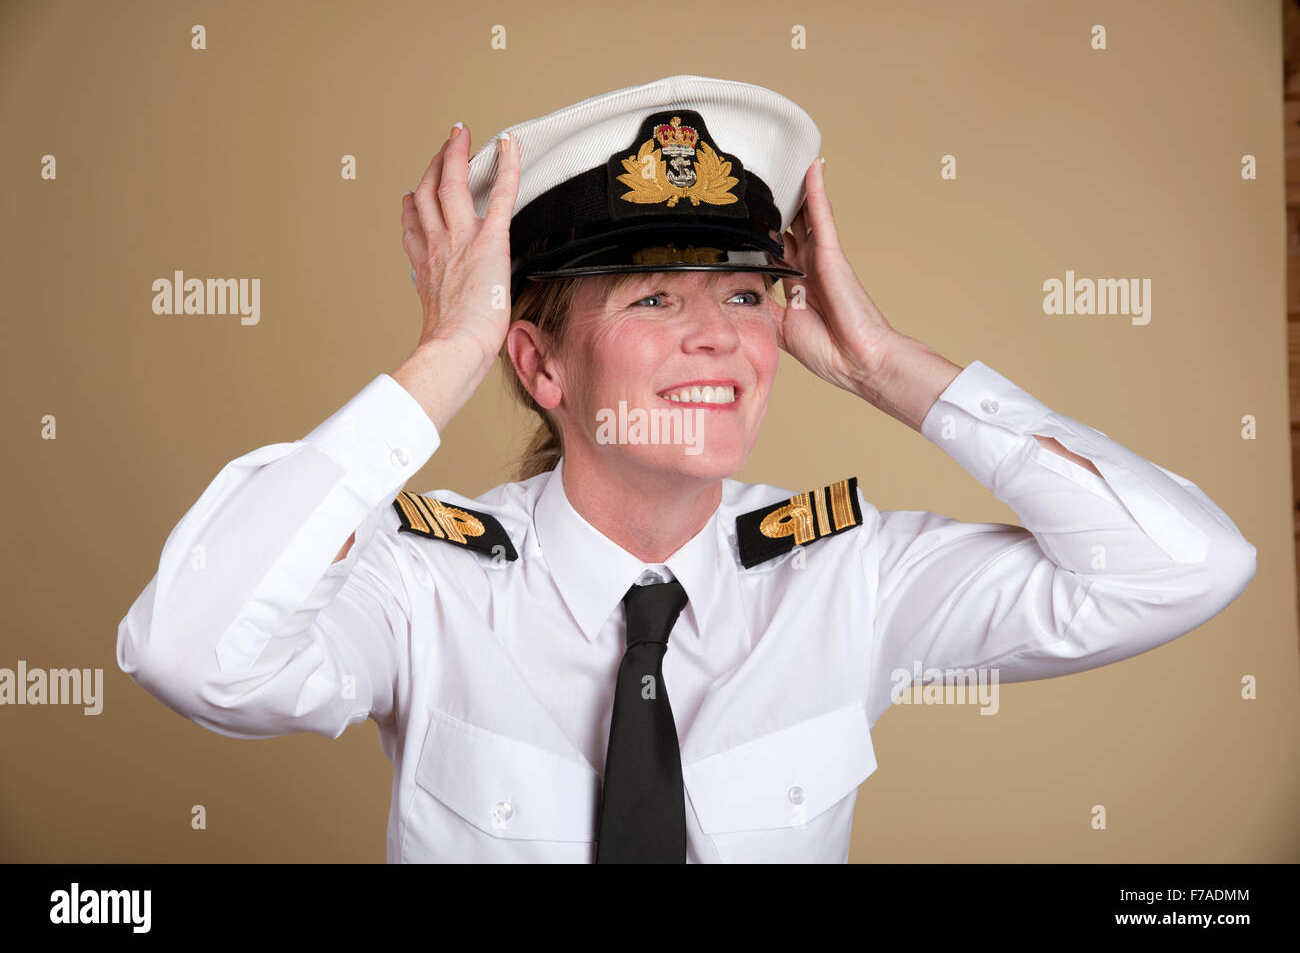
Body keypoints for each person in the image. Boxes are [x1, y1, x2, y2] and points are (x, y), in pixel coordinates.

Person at [116, 74, 1257, 863]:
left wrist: (887, 365)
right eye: (655, 298)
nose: (719, 339)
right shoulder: (425, 583)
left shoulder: (848, 576)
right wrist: (444, 358)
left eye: (747, 296)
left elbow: (1183, 568)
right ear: (541, 366)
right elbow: (193, 655)